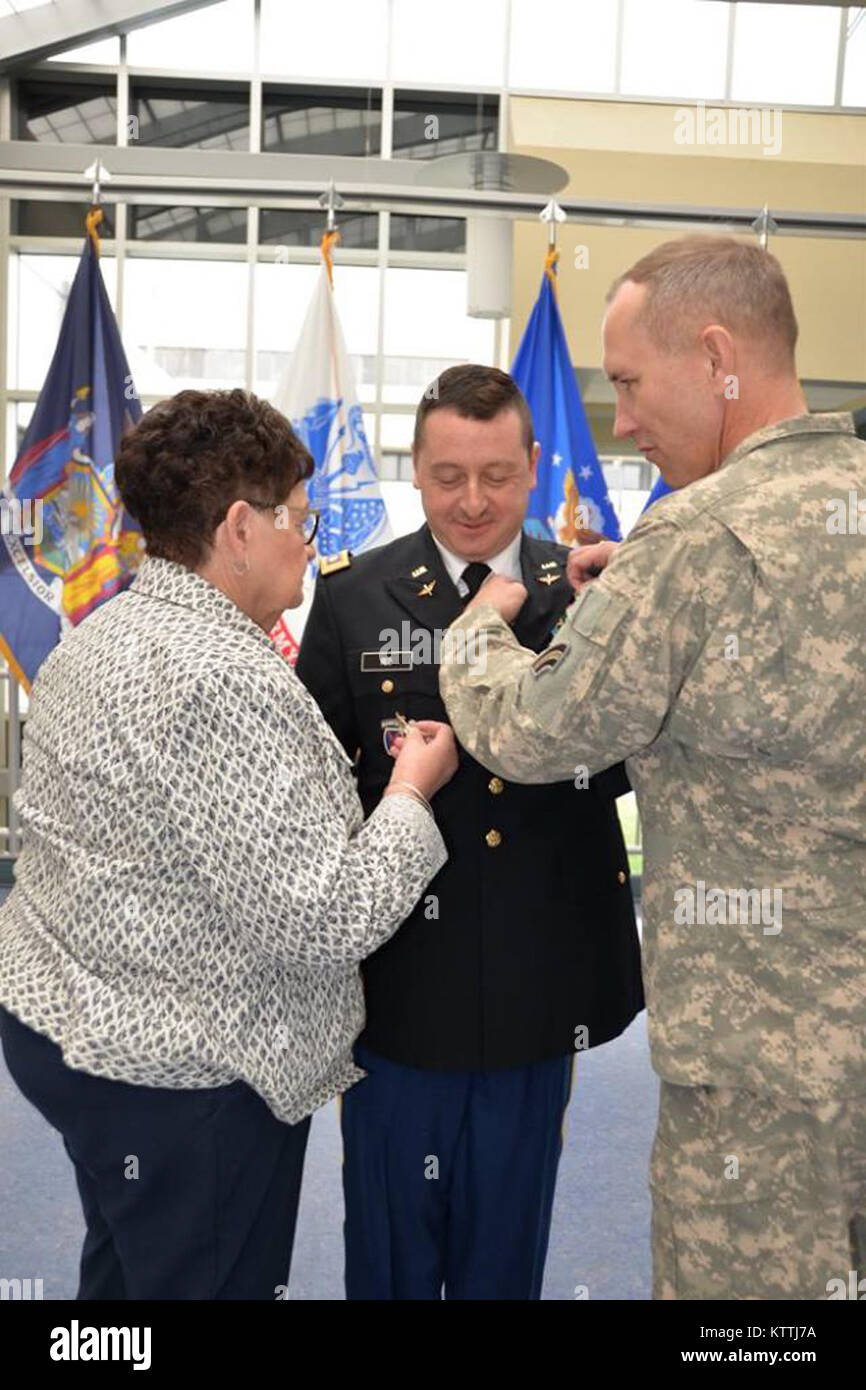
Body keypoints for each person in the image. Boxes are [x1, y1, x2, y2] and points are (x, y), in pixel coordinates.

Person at [440, 236, 866, 1300]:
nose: (619, 421)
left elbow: (531, 730)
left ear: (716, 354)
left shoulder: (692, 539)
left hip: (761, 1062)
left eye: (627, 383)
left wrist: (476, 631)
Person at [0, 388, 457, 1300]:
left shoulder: (107, 631)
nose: (312, 540)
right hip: (184, 1073)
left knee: (128, 1279)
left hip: (75, 1027)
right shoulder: (216, 675)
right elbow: (328, 917)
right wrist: (412, 792)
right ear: (241, 529)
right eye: (300, 517)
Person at [296, 364, 642, 1300]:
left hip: (537, 985)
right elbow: (321, 788)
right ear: (416, 469)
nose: (474, 500)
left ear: (535, 466)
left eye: (497, 473)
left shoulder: (590, 594)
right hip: (401, 993)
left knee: (504, 1256)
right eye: (449, 475)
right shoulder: (355, 595)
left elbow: (623, 767)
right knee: (391, 1252)